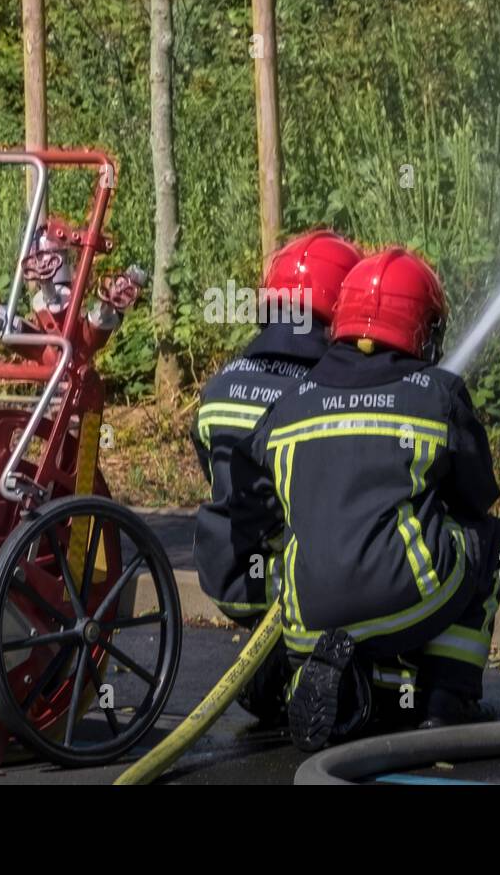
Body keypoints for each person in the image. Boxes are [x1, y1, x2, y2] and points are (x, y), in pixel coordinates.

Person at [231, 247, 500, 751]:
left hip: (303, 617)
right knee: (488, 540)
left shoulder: (290, 402)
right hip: (407, 605)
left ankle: (326, 682)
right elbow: (477, 497)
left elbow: (253, 495)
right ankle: (446, 697)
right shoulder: (438, 394)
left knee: (320, 553)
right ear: (421, 328)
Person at [191, 229, 361, 721]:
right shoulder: (321, 396)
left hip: (225, 575)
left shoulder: (219, 384)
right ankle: (311, 671)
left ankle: (272, 668)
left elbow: (215, 469)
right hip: (291, 586)